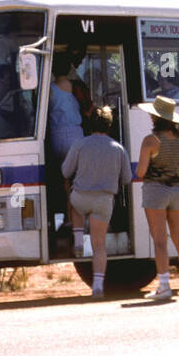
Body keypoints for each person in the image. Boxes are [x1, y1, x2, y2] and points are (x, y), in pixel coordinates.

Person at [61, 106, 131, 299]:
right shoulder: (118, 148)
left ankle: (77, 241)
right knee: (99, 245)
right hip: (104, 201)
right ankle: (98, 286)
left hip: (81, 197)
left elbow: (66, 171)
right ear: (110, 125)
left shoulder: (80, 144)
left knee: (74, 203)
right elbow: (126, 179)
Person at [136, 95, 179, 299]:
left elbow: (141, 172)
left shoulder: (150, 141)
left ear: (156, 118)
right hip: (178, 192)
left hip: (155, 192)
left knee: (160, 241)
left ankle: (164, 285)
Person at [48, 54, 85, 231]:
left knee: (63, 178)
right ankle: (79, 219)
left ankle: (69, 217)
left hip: (57, 134)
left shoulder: (49, 89)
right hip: (76, 133)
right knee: (78, 178)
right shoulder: (77, 87)